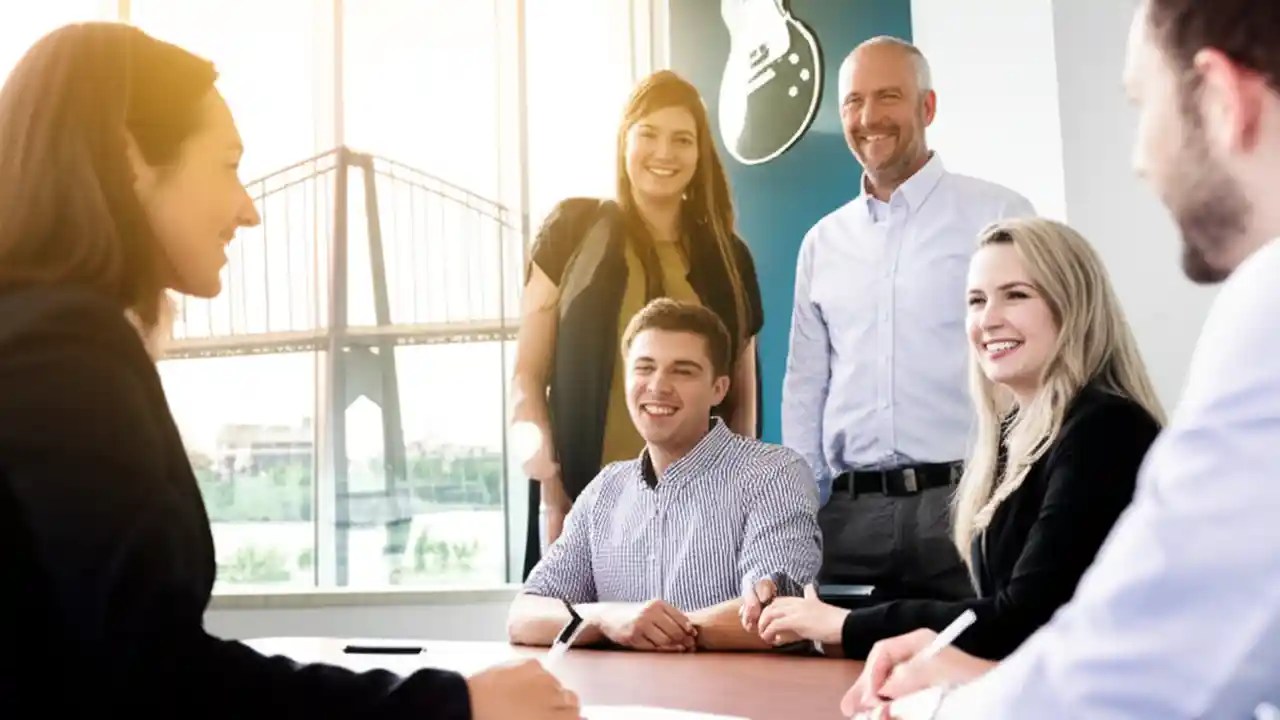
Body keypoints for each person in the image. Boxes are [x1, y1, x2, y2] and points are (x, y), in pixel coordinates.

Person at [0, 22, 577, 719]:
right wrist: (452, 702)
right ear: (129, 158)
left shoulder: (42, 336)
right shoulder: (62, 352)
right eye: (226, 165)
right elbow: (155, 678)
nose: (248, 209)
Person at [843, 1, 1280, 717]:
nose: (1140, 159)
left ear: (1222, 99)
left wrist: (936, 704)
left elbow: (1146, 666)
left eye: (1145, 106)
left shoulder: (1262, 316)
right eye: (976, 301)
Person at [752, 217, 1163, 660]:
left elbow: (1024, 620)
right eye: (976, 300)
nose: (988, 319)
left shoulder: (1107, 429)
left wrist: (848, 624)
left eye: (1016, 295)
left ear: (1074, 306)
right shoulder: (1018, 434)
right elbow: (995, 614)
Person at [779, 35, 1036, 608]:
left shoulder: (998, 215)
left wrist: (1015, 490)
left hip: (966, 504)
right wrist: (799, 512)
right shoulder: (821, 243)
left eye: (888, 96)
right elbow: (805, 388)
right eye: (853, 102)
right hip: (847, 518)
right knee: (833, 686)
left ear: (927, 107)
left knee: (974, 674)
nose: (868, 118)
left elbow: (1035, 366)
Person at [512, 70, 765, 575]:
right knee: (574, 645)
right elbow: (525, 377)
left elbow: (743, 407)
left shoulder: (729, 257)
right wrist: (548, 483)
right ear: (624, 140)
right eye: (648, 134)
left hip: (699, 516)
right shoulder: (571, 231)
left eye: (682, 139)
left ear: (700, 156)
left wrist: (742, 507)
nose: (664, 153)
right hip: (582, 502)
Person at [507, 299, 821, 653]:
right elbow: (524, 614)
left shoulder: (773, 474)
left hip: (736, 703)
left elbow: (780, 615)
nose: (658, 386)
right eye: (644, 368)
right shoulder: (604, 491)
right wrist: (606, 619)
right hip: (624, 704)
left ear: (719, 388)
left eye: (682, 371)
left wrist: (647, 629)